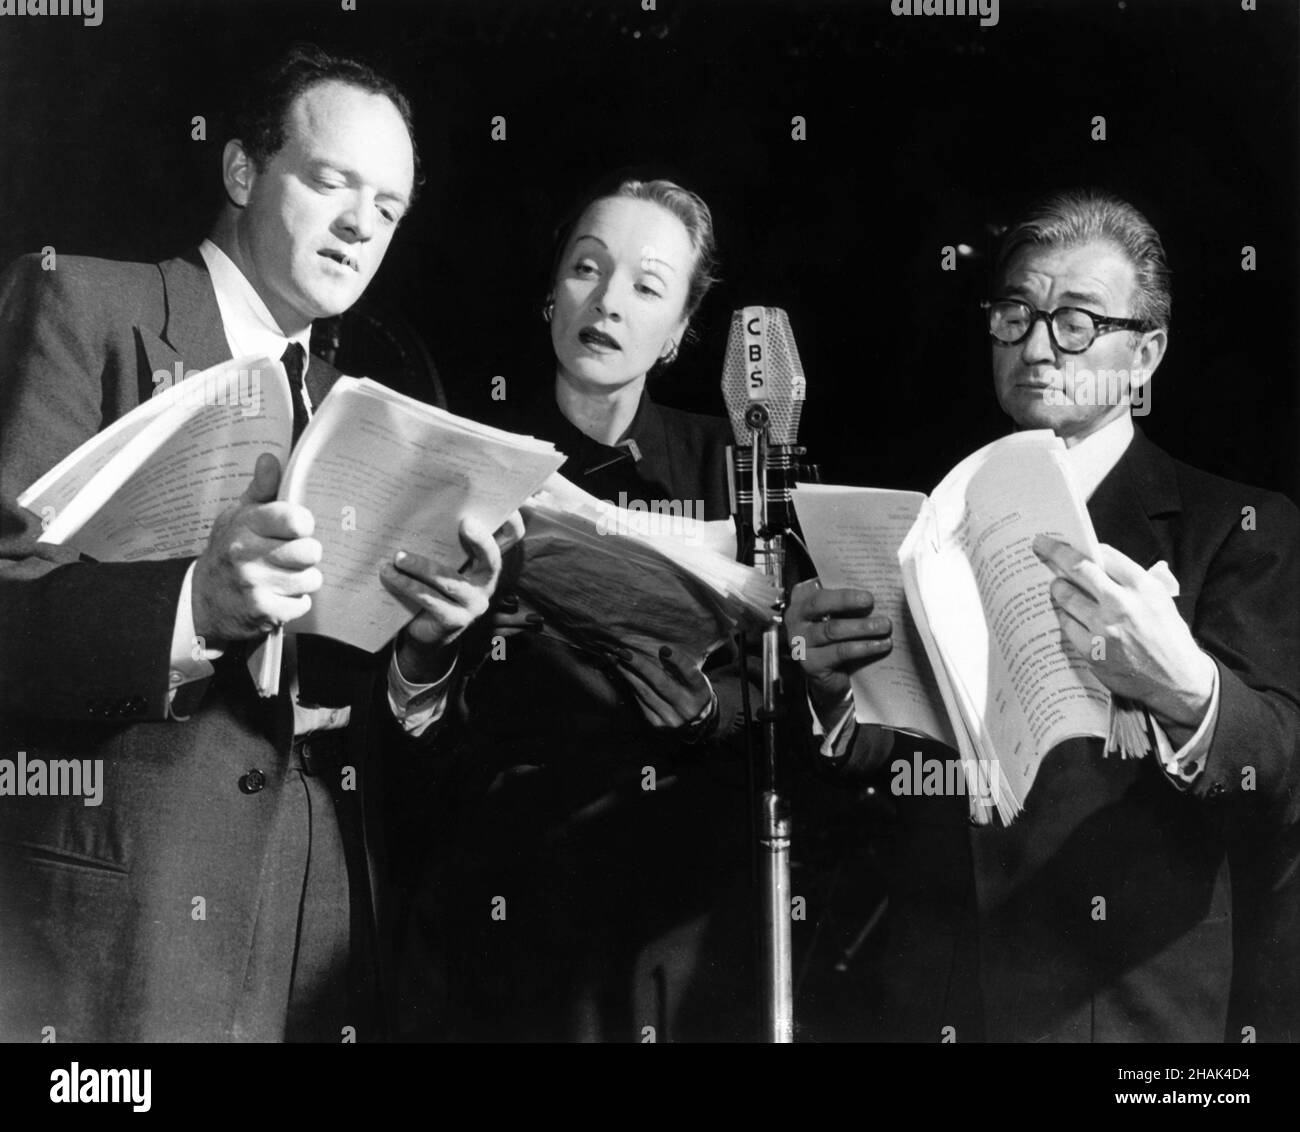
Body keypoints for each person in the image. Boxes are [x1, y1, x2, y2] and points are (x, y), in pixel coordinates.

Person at [0, 44, 516, 1042]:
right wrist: (192, 605)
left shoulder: (368, 410)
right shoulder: (85, 307)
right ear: (241, 172)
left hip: (320, 921)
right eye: (332, 182)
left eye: (390, 207)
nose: (362, 225)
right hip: (123, 911)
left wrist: (426, 647)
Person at [786, 189, 1300, 1042]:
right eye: (1015, 312)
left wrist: (1190, 692)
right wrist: (834, 694)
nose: (1034, 344)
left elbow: (1281, 768)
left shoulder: (1239, 527)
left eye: (1077, 322)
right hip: (936, 1001)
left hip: (1123, 1018)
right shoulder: (930, 521)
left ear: (1146, 355)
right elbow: (900, 761)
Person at [396, 176, 758, 1042]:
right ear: (551, 290)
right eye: (586, 269)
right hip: (500, 906)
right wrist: (428, 654)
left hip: (675, 920)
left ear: (677, 334)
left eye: (646, 286)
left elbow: (780, 685)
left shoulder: (731, 468)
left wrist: (707, 709)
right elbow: (411, 723)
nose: (607, 303)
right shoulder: (467, 453)